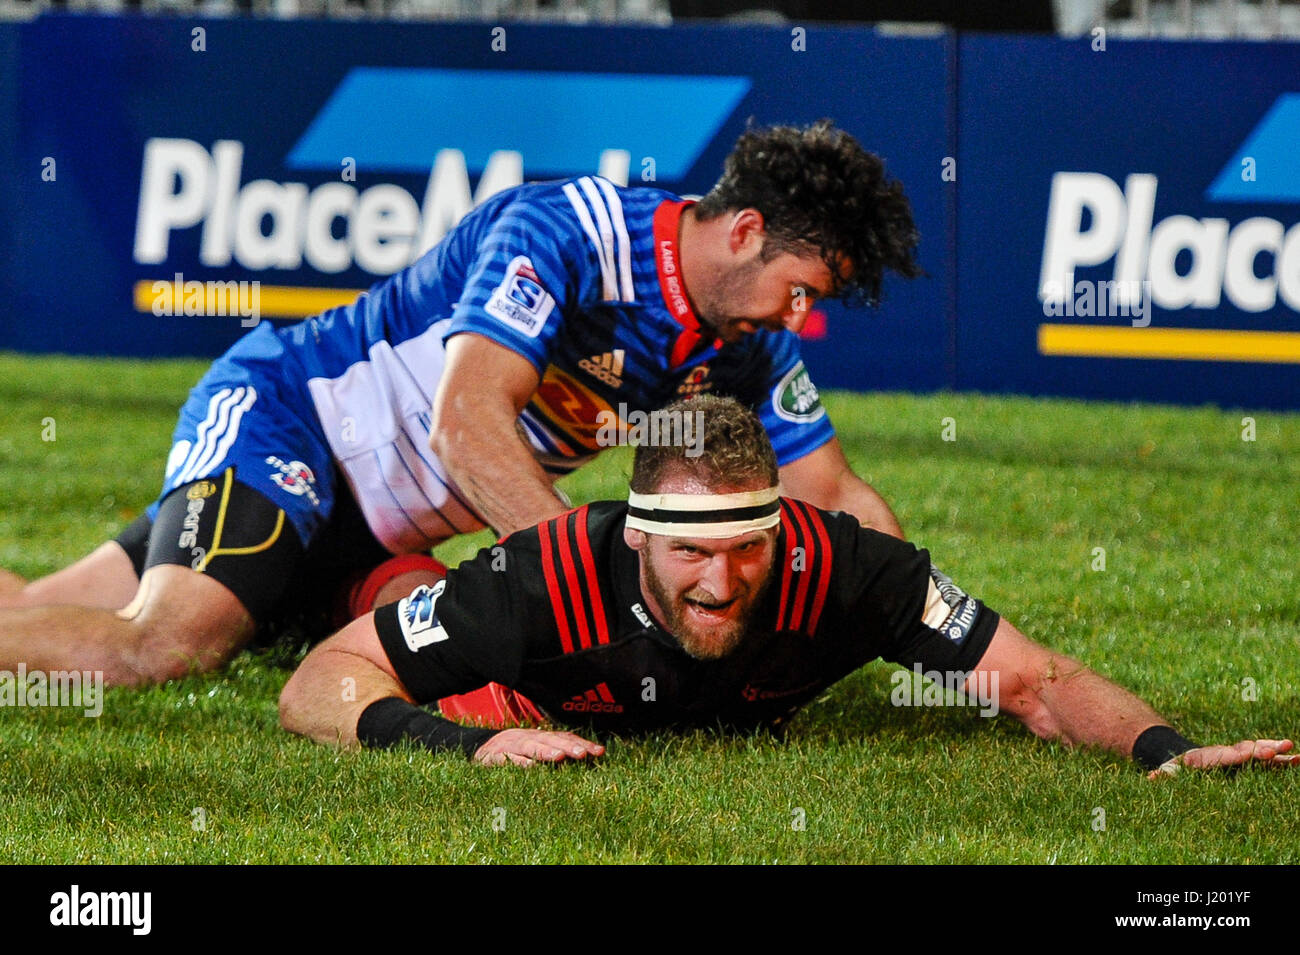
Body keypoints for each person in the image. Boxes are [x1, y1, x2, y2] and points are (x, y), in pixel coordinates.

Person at [0, 120, 922, 686]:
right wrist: (599, 591)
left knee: (37, 608)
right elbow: (465, 425)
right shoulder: (568, 230)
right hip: (293, 418)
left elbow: (835, 496)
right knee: (165, 645)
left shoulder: (743, 346)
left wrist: (950, 635)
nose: (803, 321)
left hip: (381, 526)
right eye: (803, 290)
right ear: (747, 231)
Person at [279, 395, 1296, 778]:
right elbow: (321, 683)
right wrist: (465, 743)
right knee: (376, 600)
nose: (722, 583)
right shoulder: (537, 581)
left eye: (747, 547)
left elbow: (1039, 679)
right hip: (474, 662)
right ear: (635, 535)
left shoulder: (848, 571)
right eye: (689, 554)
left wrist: (1165, 747)